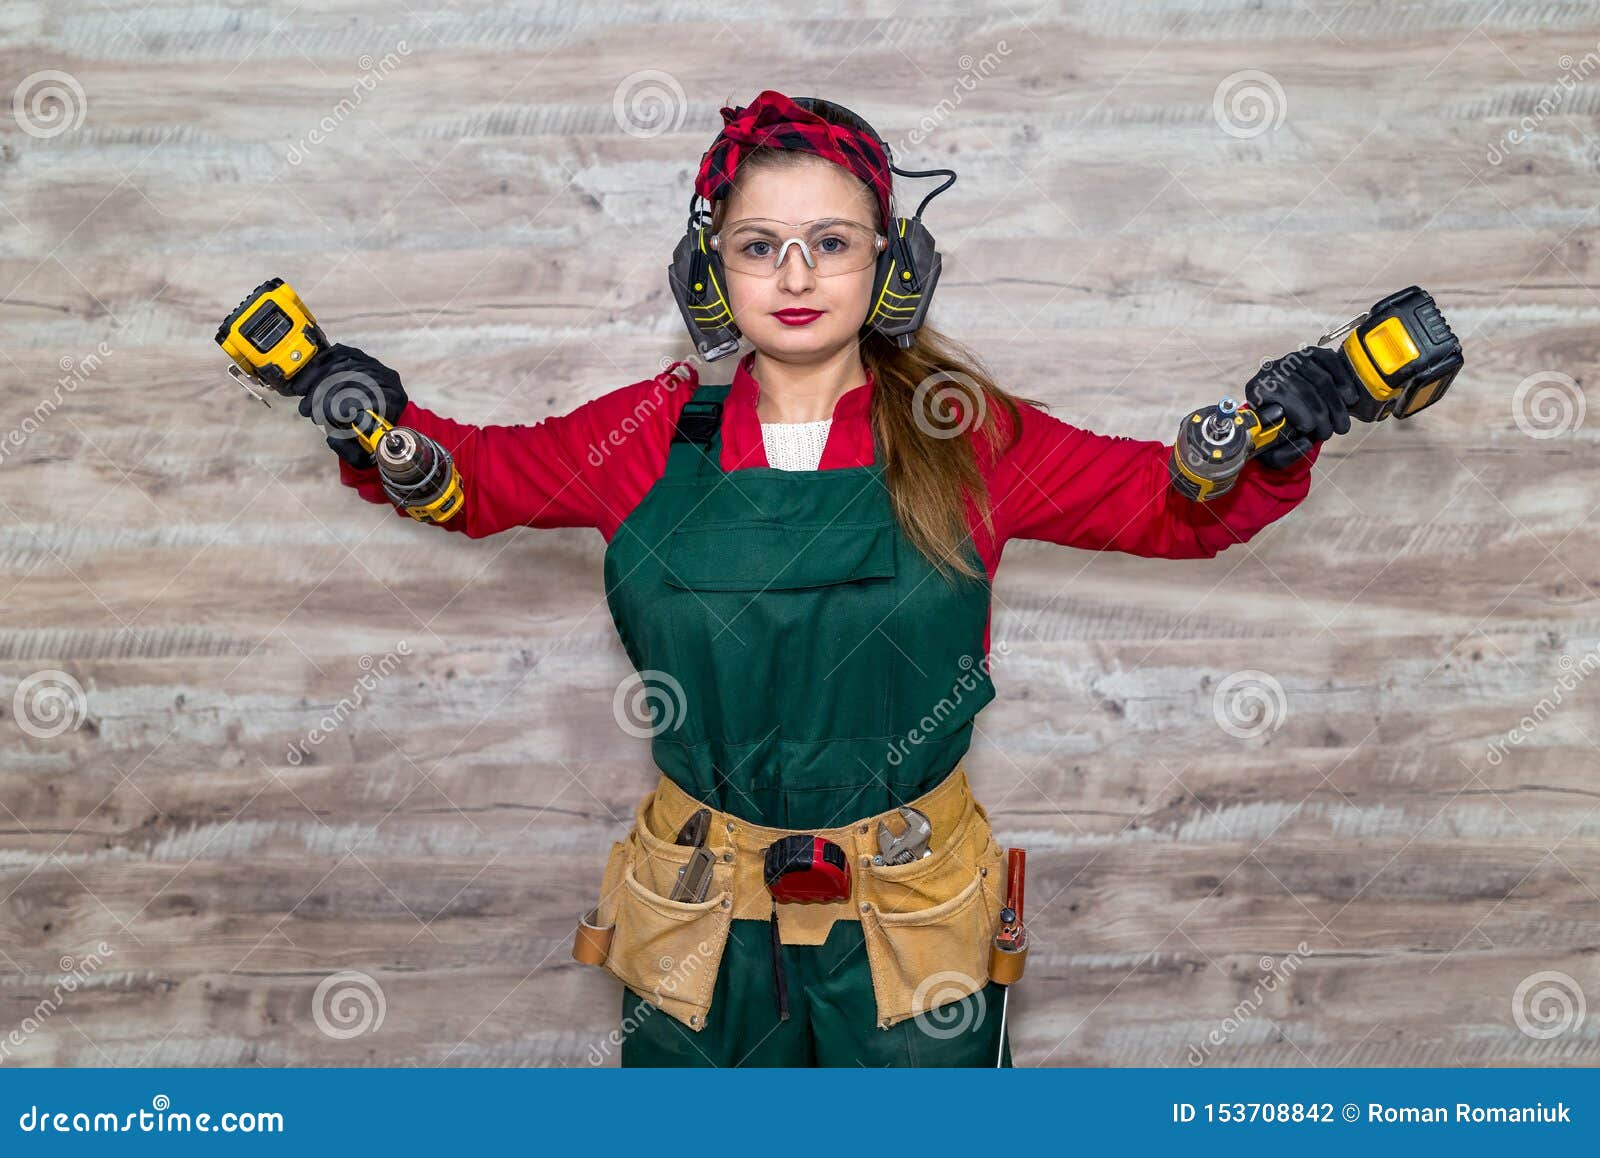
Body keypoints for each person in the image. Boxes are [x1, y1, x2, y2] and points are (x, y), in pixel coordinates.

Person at [289, 89, 1358, 1067]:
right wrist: (363, 409)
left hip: (910, 916)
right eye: (760, 246)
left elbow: (1173, 506)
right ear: (709, 272)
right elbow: (472, 481)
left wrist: (1278, 436)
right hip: (697, 914)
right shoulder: (643, 433)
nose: (795, 277)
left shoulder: (967, 438)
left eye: (831, 243)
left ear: (893, 264)